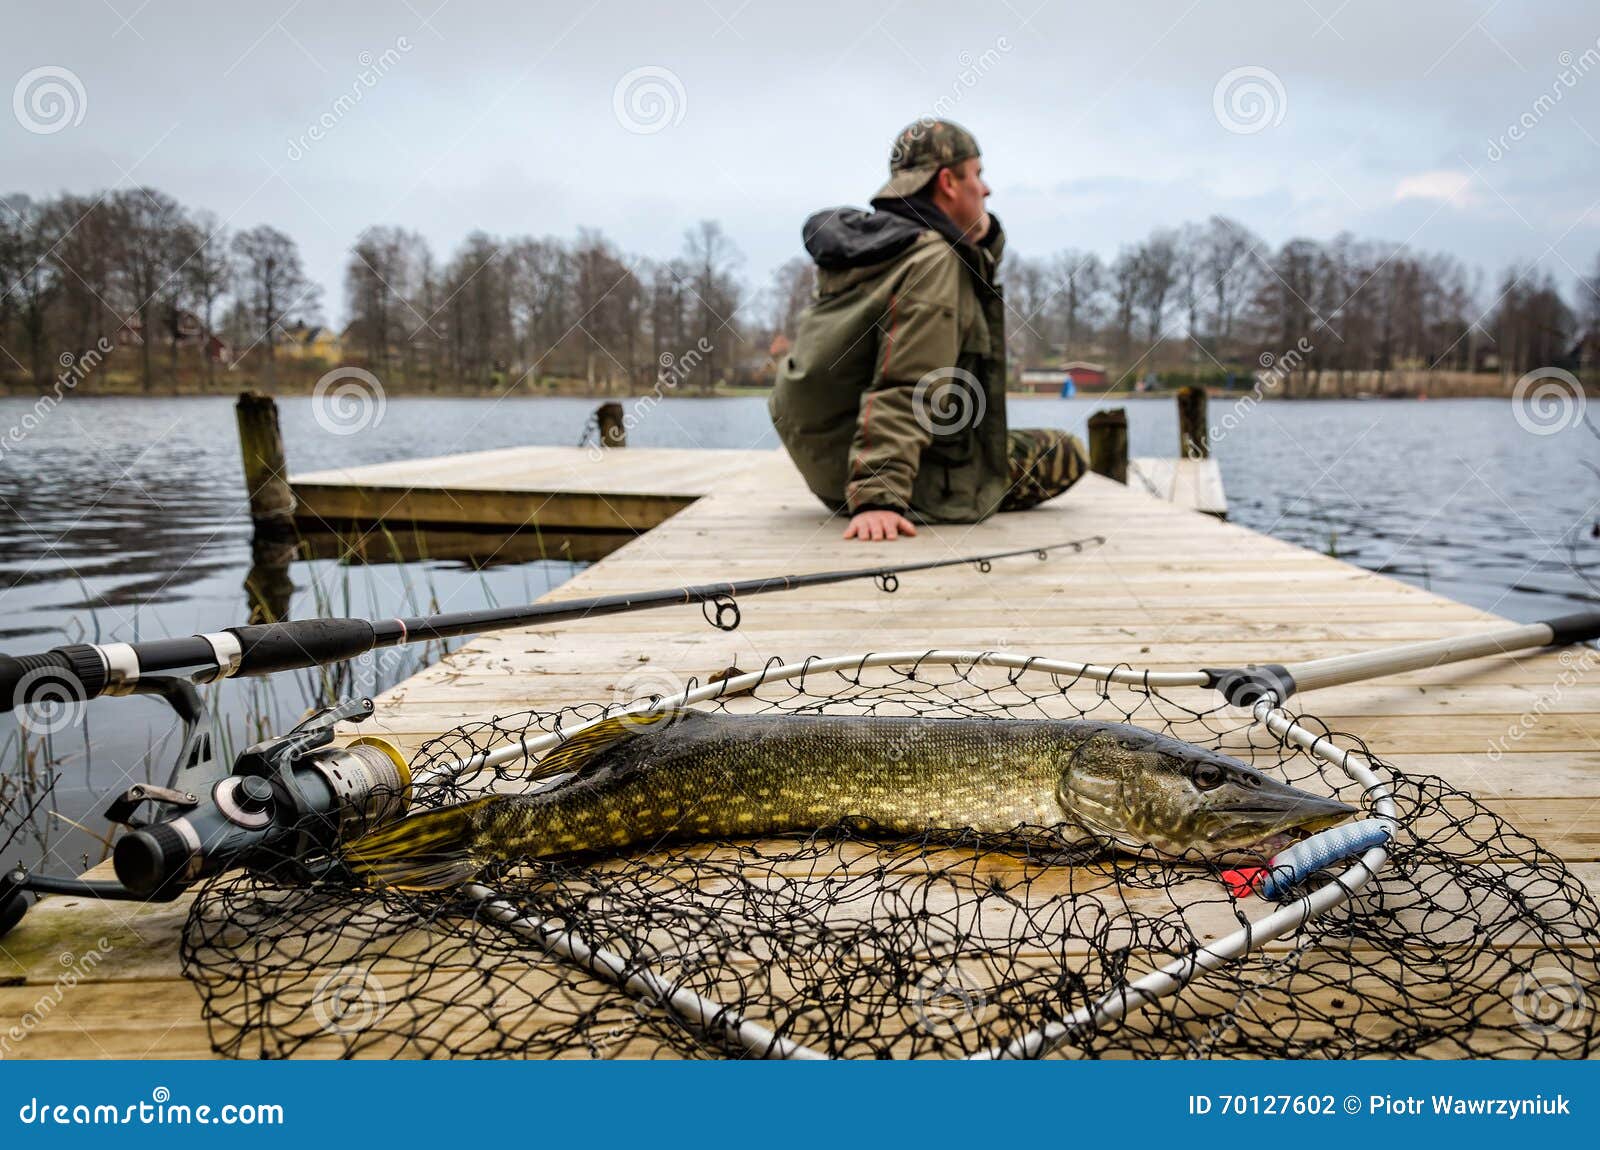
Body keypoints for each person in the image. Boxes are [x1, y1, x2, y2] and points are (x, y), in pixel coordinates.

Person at [770, 119, 1087, 542]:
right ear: (948, 183)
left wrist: (984, 234)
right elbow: (910, 384)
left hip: (829, 463)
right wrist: (878, 499)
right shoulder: (933, 261)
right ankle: (886, 488)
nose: (986, 189)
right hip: (877, 482)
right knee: (1065, 452)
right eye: (977, 174)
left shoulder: (880, 246)